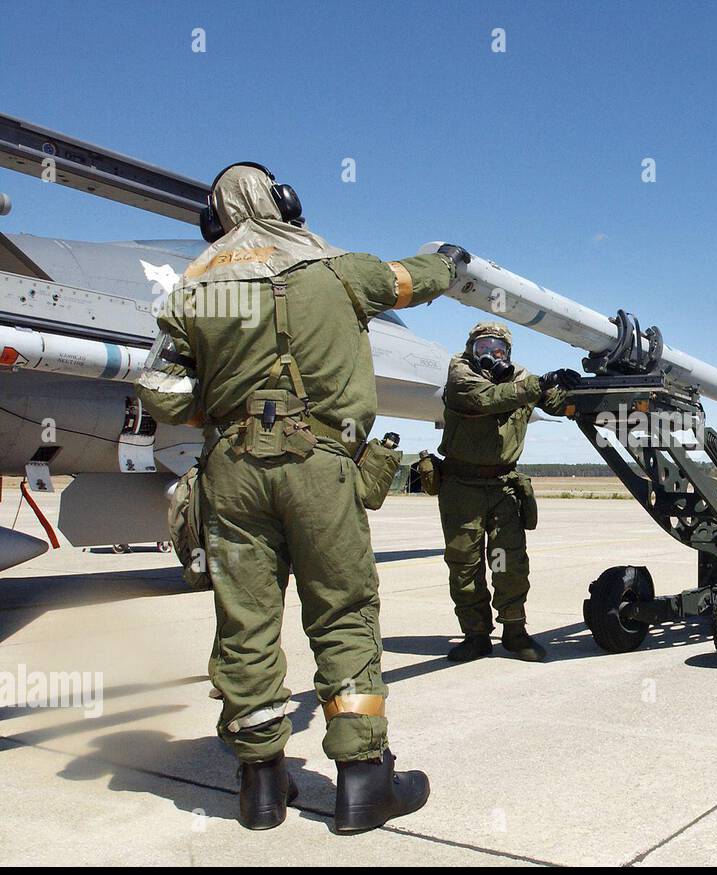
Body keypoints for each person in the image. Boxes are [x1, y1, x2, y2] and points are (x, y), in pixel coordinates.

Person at [136, 162, 466, 832]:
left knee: (245, 621)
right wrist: (447, 261)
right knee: (342, 611)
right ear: (285, 204)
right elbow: (412, 279)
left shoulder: (191, 289)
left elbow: (161, 392)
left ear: (214, 219)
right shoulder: (337, 268)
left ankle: (260, 786)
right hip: (320, 461)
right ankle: (362, 784)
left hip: (230, 471)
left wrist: (229, 415)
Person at [438, 322, 579, 663]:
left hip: (504, 485)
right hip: (462, 487)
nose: (489, 354)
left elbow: (556, 405)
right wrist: (538, 384)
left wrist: (571, 391)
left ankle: (514, 631)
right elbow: (488, 399)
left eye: (497, 348)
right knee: (465, 564)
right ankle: (475, 635)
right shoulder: (461, 374)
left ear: (508, 352)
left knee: (509, 560)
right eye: (482, 347)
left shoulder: (519, 377)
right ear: (471, 348)